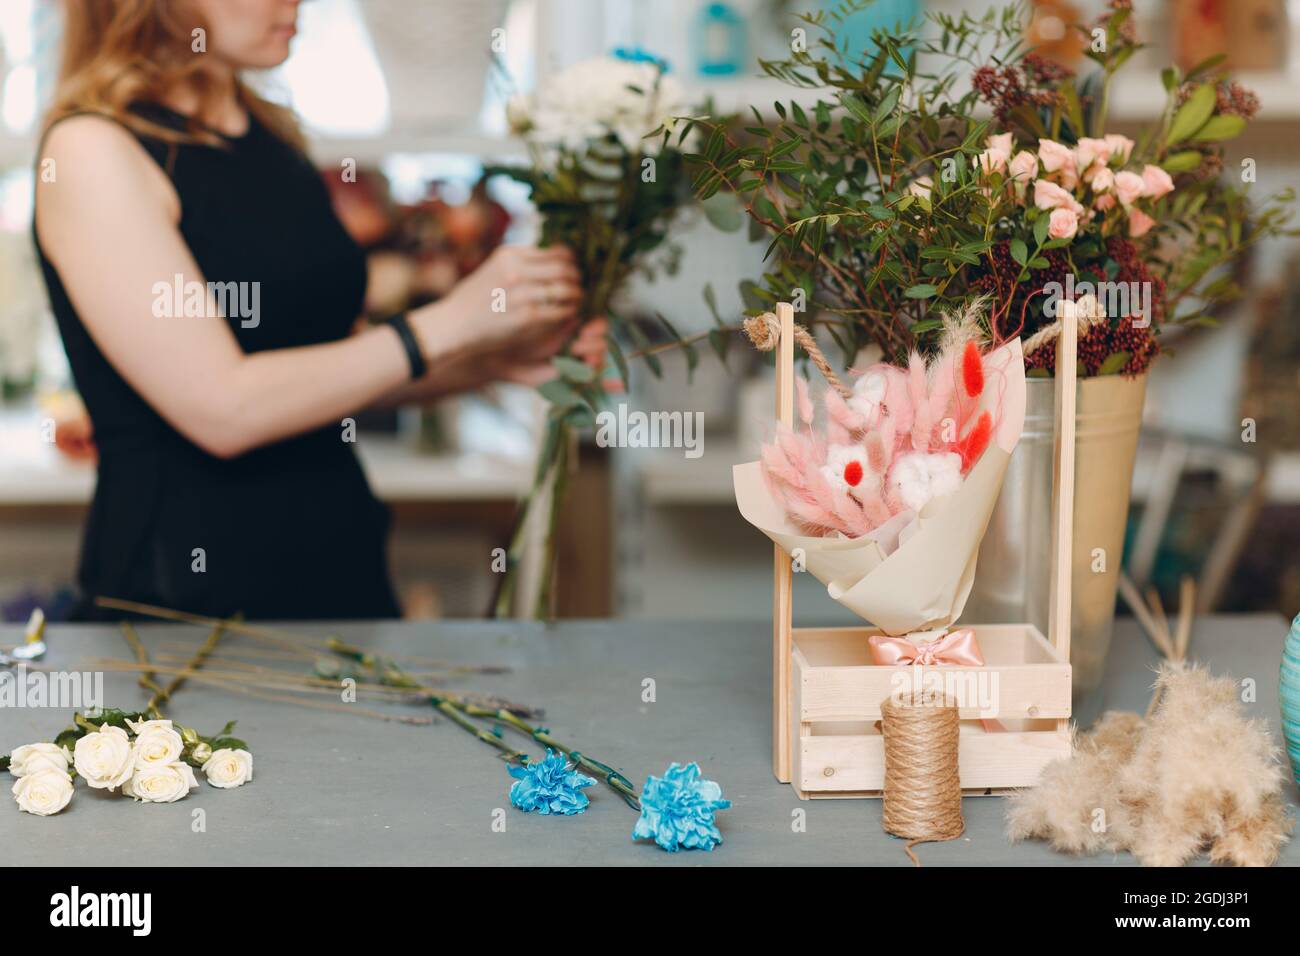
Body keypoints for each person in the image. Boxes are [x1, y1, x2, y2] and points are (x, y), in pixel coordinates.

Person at [33, 0, 605, 619]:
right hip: (183, 607)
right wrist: (450, 323)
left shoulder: (268, 136)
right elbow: (224, 409)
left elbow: (329, 368)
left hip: (340, 575)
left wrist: (494, 359)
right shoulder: (90, 152)